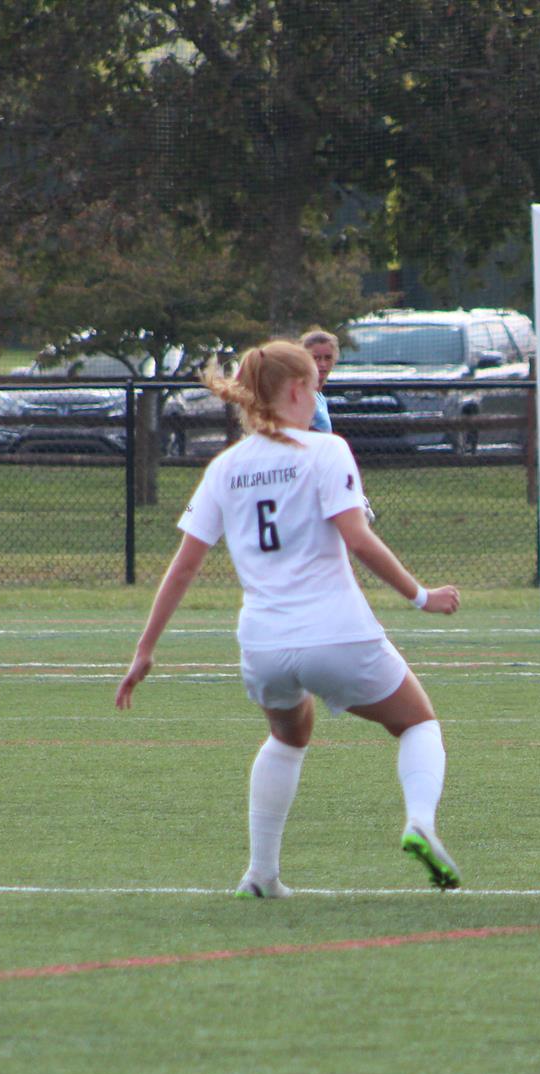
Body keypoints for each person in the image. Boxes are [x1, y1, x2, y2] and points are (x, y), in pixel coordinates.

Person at [116, 340, 461, 897]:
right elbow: (359, 539)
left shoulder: (226, 467)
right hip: (337, 632)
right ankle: (420, 821)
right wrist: (421, 596)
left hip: (264, 645)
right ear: (299, 390)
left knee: (287, 736)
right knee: (418, 723)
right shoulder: (327, 450)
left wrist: (144, 650)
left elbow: (182, 569)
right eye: (314, 385)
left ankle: (261, 875)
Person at [301, 328, 339, 434]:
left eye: (328, 358)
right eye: (316, 358)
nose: (323, 364)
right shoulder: (302, 395)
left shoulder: (319, 396)